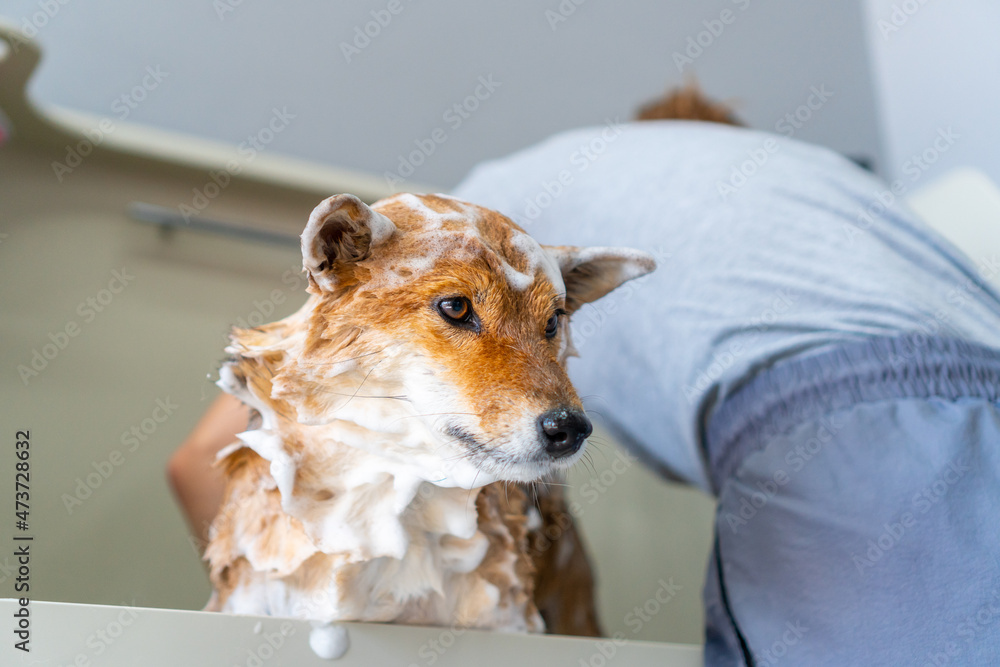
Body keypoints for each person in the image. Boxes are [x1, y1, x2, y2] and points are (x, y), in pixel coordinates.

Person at [170, 86, 1000, 665]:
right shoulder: (824, 180)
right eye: (459, 311)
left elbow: (200, 457)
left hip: (854, 423)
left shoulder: (497, 214)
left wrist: (290, 626)